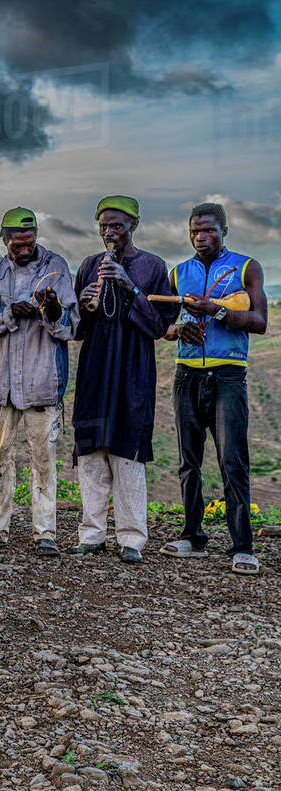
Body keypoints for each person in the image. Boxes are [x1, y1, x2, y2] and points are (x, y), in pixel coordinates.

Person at [160, 202, 269, 575]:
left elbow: (259, 321)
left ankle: (243, 547)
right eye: (195, 231)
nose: (201, 237)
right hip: (186, 374)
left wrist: (217, 310)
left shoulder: (245, 267)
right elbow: (161, 325)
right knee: (188, 461)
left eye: (208, 230)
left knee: (231, 460)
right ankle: (192, 536)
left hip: (228, 375)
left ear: (224, 230)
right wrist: (177, 331)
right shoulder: (178, 273)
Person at [69, 196, 173, 564]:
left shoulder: (152, 266)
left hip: (132, 372)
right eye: (104, 226)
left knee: (127, 454)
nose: (109, 233)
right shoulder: (89, 265)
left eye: (117, 225)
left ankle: (131, 539)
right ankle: (92, 534)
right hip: (95, 370)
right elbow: (78, 331)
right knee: (92, 454)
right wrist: (82, 303)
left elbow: (159, 326)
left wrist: (129, 287)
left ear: (133, 225)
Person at [0, 207, 77, 557]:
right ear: (5, 240)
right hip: (4, 378)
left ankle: (45, 532)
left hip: (42, 378)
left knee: (43, 458)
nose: (24, 249)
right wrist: (9, 313)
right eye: (17, 244)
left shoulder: (56, 267)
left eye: (29, 242)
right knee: (1, 455)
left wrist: (49, 310)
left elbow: (71, 324)